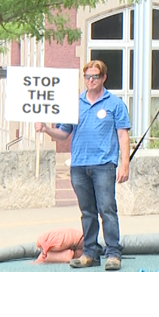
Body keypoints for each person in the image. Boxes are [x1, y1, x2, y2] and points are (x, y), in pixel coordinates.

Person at [34, 60, 131, 270]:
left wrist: (125, 164)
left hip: (104, 164)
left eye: (95, 76)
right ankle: (90, 253)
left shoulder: (115, 104)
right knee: (87, 211)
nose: (90, 80)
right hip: (79, 165)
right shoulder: (74, 103)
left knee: (107, 209)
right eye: (87, 77)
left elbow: (123, 135)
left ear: (104, 78)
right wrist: (46, 129)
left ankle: (113, 254)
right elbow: (63, 133)